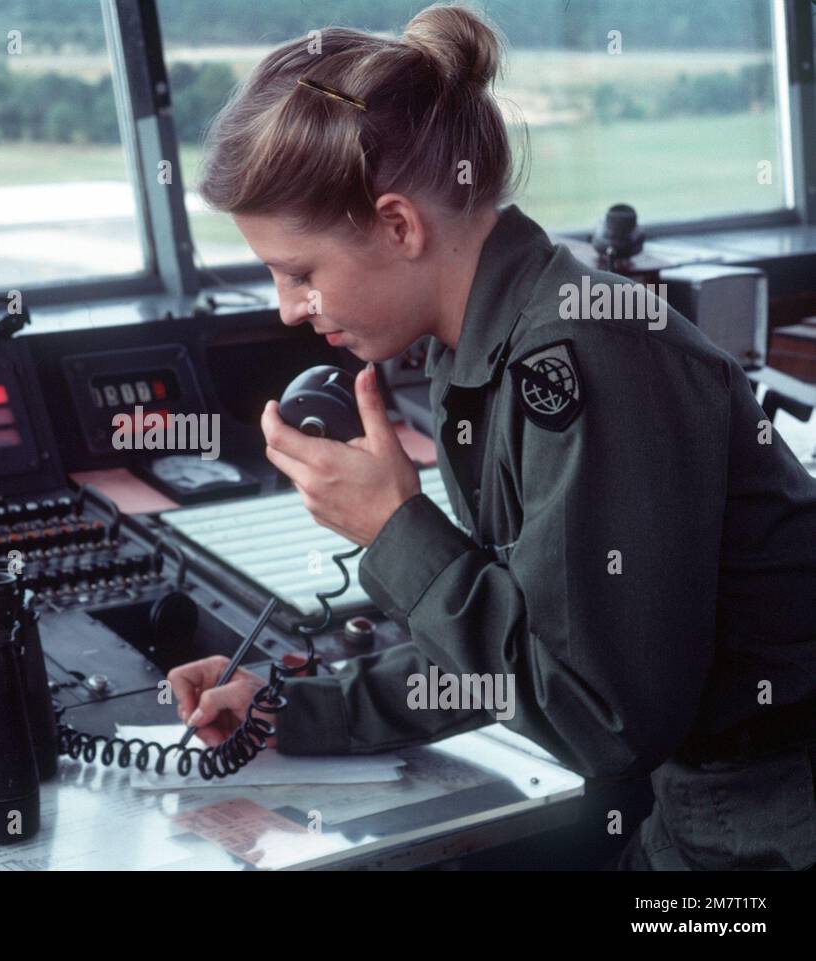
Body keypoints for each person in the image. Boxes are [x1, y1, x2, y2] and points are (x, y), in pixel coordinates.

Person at [167, 2, 816, 870]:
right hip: (708, 806)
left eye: (300, 272)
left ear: (399, 226)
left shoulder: (583, 357)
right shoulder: (487, 347)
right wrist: (301, 710)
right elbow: (531, 640)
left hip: (768, 822)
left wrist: (394, 530)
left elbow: (601, 717)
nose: (289, 307)